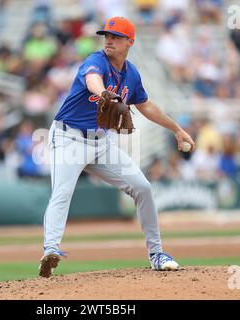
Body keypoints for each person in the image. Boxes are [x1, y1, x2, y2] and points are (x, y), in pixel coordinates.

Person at [39, 17, 195, 278]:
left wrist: (176, 130)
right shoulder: (95, 61)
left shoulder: (131, 74)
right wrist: (105, 94)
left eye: (115, 36)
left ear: (130, 42)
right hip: (69, 138)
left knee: (143, 187)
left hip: (101, 143)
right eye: (106, 35)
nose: (108, 40)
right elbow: (92, 79)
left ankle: (157, 254)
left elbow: (146, 106)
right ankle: (50, 250)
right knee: (62, 192)